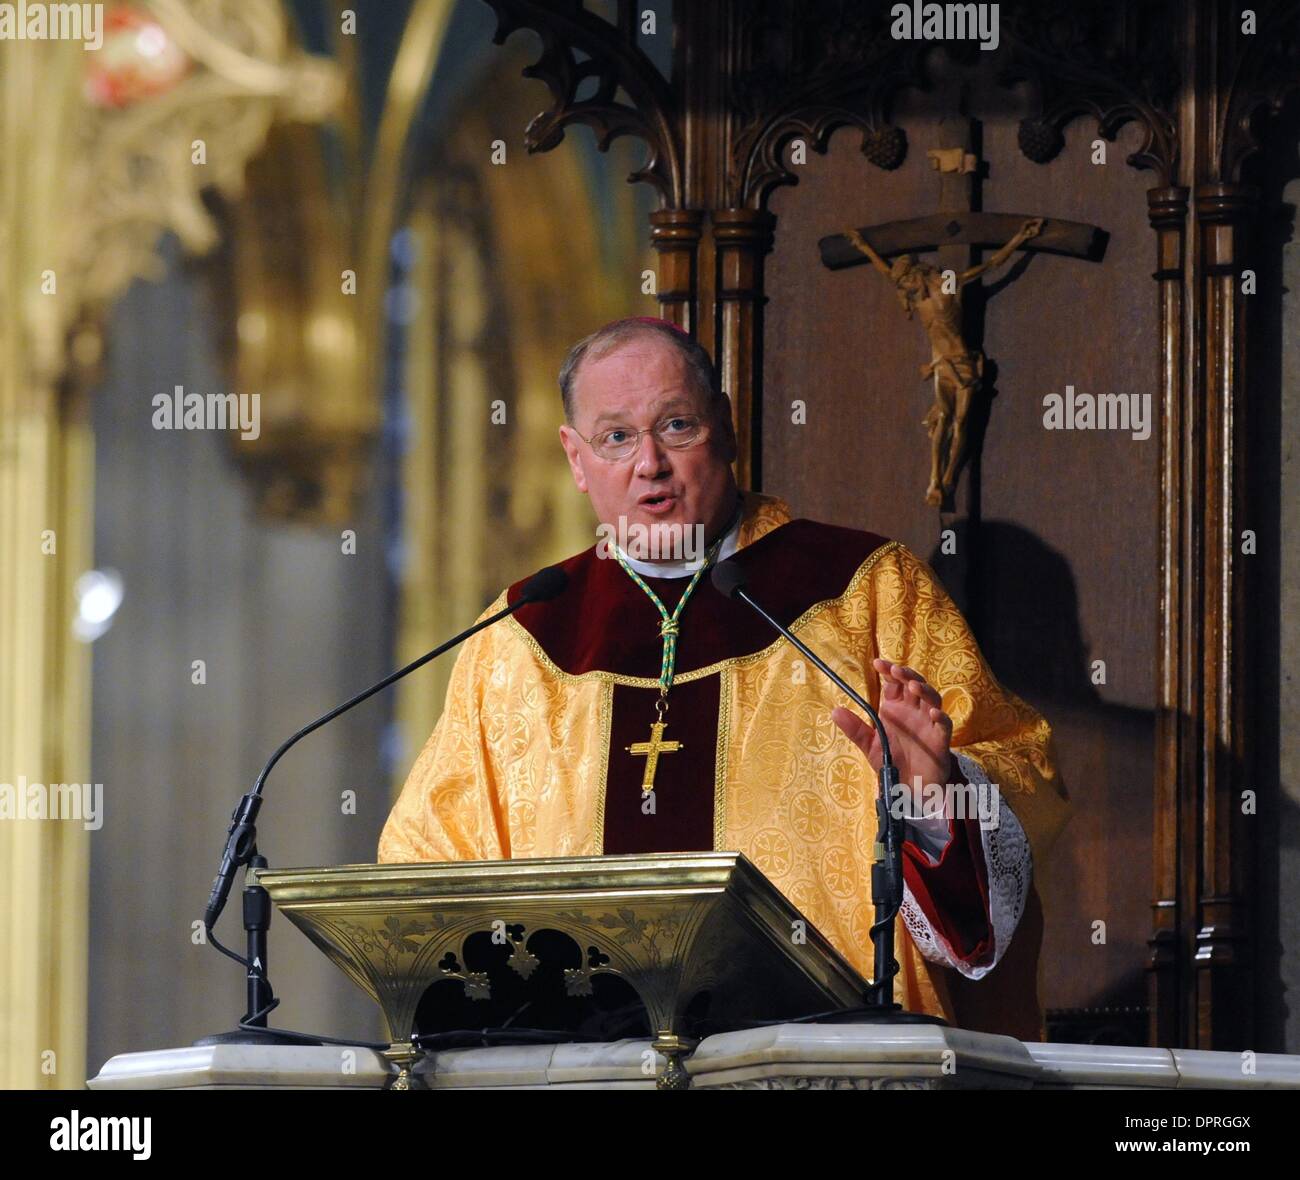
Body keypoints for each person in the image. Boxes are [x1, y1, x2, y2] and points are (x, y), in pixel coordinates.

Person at [379, 316, 1071, 1038]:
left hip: (826, 1065)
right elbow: (427, 873)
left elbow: (1022, 771)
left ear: (728, 427)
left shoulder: (866, 593)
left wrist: (936, 799)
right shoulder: (521, 634)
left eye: (675, 426)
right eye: (615, 437)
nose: (649, 462)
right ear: (575, 459)